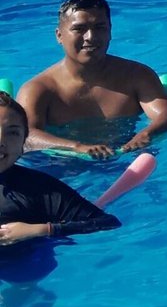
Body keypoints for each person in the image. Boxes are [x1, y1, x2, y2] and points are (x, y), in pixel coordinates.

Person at [17, 0, 167, 158]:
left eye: (100, 27)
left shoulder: (136, 76)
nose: (91, 37)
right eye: (79, 29)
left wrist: (147, 133)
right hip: (60, 163)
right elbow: (25, 136)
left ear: (110, 32)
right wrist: (77, 147)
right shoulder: (38, 89)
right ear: (59, 36)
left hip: (126, 157)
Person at [0, 93, 121, 246]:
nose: (1, 140)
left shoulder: (39, 189)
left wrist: (42, 230)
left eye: (12, 132)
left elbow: (107, 222)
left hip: (27, 259)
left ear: (24, 141)